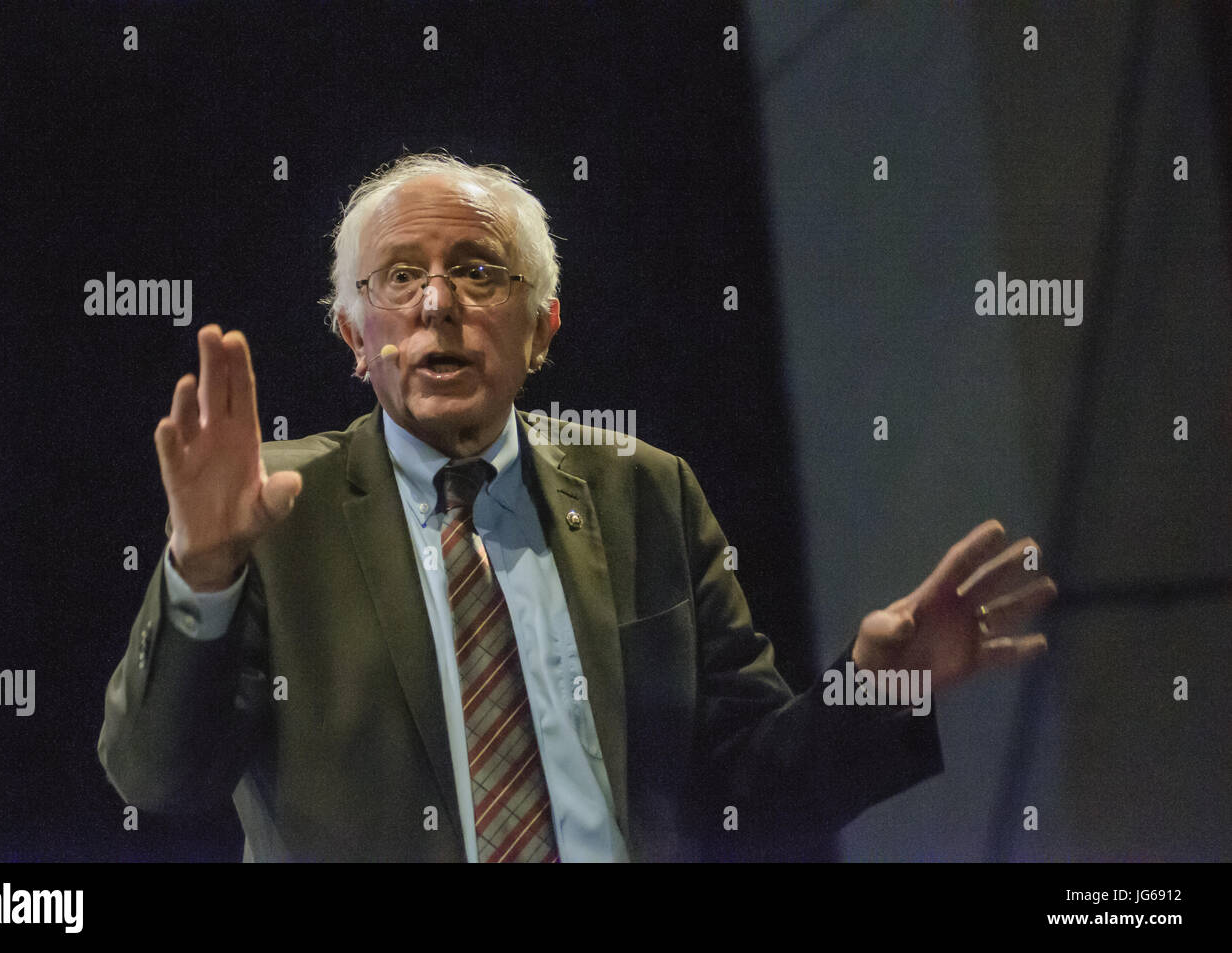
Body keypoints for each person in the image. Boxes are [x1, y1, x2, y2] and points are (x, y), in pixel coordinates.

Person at [97, 153, 1056, 862]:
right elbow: (156, 779)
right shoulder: (275, 511)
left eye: (478, 269)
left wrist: (878, 688)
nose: (438, 302)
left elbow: (748, 794)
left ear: (541, 327)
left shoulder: (646, 494)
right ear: (356, 335)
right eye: (398, 276)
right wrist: (203, 575)